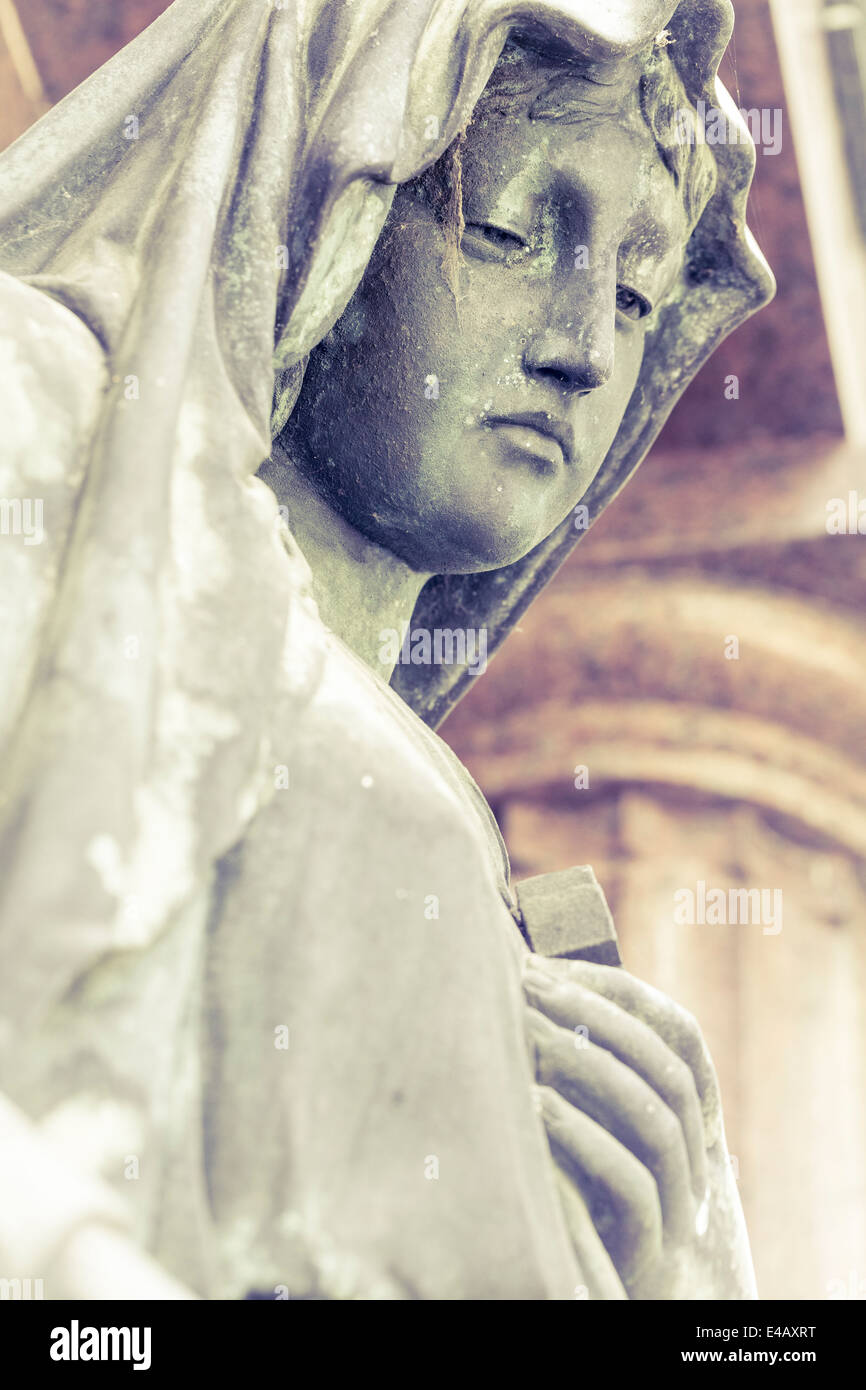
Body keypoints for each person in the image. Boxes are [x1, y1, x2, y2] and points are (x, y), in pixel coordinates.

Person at [0, 0, 773, 1299]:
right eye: (506, 231)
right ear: (316, 185)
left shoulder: (497, 907)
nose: (587, 348)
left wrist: (685, 1282)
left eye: (637, 294)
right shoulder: (39, 427)